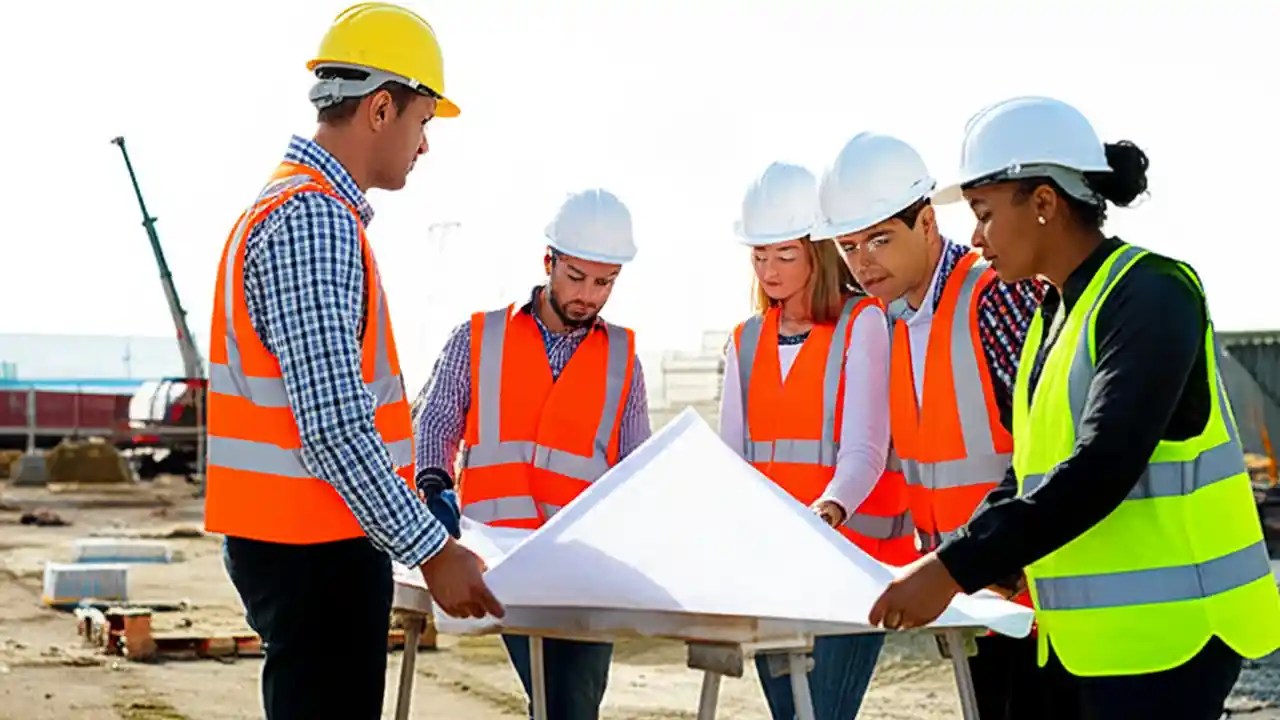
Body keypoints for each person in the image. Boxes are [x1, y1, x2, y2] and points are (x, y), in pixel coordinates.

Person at [868, 95, 1280, 719]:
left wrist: (954, 566)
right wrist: (962, 562)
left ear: (1043, 204)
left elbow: (1103, 465)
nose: (974, 239)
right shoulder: (1053, 314)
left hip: (1171, 643)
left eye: (983, 214)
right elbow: (1029, 471)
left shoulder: (1152, 293)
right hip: (1088, 645)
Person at [202, 5, 503, 719]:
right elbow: (335, 426)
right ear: (379, 108)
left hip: (303, 545)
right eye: (423, 120)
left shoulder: (292, 209)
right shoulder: (312, 221)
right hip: (315, 552)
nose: (424, 145)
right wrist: (432, 548)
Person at [813, 131, 1054, 718]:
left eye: (878, 240)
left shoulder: (997, 295)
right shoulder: (890, 322)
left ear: (926, 222)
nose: (862, 262)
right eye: (848, 247)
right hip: (970, 597)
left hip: (1036, 599)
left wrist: (1000, 566)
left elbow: (1048, 447)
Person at [413, 188, 652, 720]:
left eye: (604, 282)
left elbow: (637, 468)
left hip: (588, 564)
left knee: (573, 705)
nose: (588, 295)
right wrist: (433, 488)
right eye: (576, 277)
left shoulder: (623, 359)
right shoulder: (478, 337)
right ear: (549, 262)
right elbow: (435, 422)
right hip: (503, 557)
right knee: (559, 701)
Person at [720, 161, 909, 719]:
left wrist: (826, 510)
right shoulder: (745, 340)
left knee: (822, 714)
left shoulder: (864, 323)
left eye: (784, 253)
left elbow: (866, 449)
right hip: (773, 568)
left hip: (852, 562)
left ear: (817, 249)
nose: (769, 270)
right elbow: (732, 461)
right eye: (759, 255)